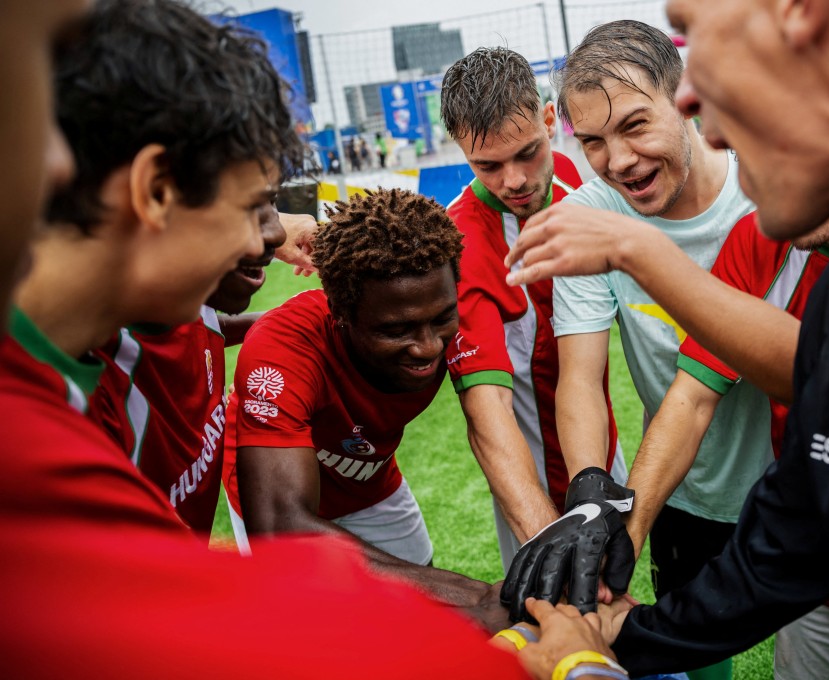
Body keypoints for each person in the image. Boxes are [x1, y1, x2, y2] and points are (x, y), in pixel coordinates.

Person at [0, 2, 539, 676]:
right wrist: (500, 623)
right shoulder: (38, 438)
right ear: (156, 193)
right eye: (258, 204)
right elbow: (199, 603)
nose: (277, 234)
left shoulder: (180, 313)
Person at [525, 0, 829, 677]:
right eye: (593, 142)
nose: (692, 94)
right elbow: (798, 528)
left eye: (697, 34)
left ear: (802, 13)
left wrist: (639, 253)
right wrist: (620, 631)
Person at [507, 21, 769, 679]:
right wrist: (593, 488)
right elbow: (580, 376)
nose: (617, 159)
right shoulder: (588, 215)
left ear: (684, 100)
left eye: (634, 126)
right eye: (592, 141)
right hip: (680, 488)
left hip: (790, 479)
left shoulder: (766, 196)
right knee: (701, 653)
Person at [221, 188, 516, 629]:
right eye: (397, 330)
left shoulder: (457, 314)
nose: (428, 346)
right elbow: (283, 524)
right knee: (312, 628)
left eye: (440, 320)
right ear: (340, 314)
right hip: (275, 497)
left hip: (369, 478)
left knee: (417, 593)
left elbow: (493, 424)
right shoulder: (285, 349)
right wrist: (477, 598)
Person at [439, 46, 627, 570]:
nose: (515, 180)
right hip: (534, 489)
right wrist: (546, 531)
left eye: (526, 153)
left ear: (549, 120)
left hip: (604, 460)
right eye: (488, 165)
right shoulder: (463, 248)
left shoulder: (573, 178)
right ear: (461, 151)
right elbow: (487, 414)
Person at [87, 202, 285, 535]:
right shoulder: (95, 384)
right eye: (247, 203)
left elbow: (201, 329)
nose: (277, 232)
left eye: (273, 201)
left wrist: (283, 323)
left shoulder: (191, 299)